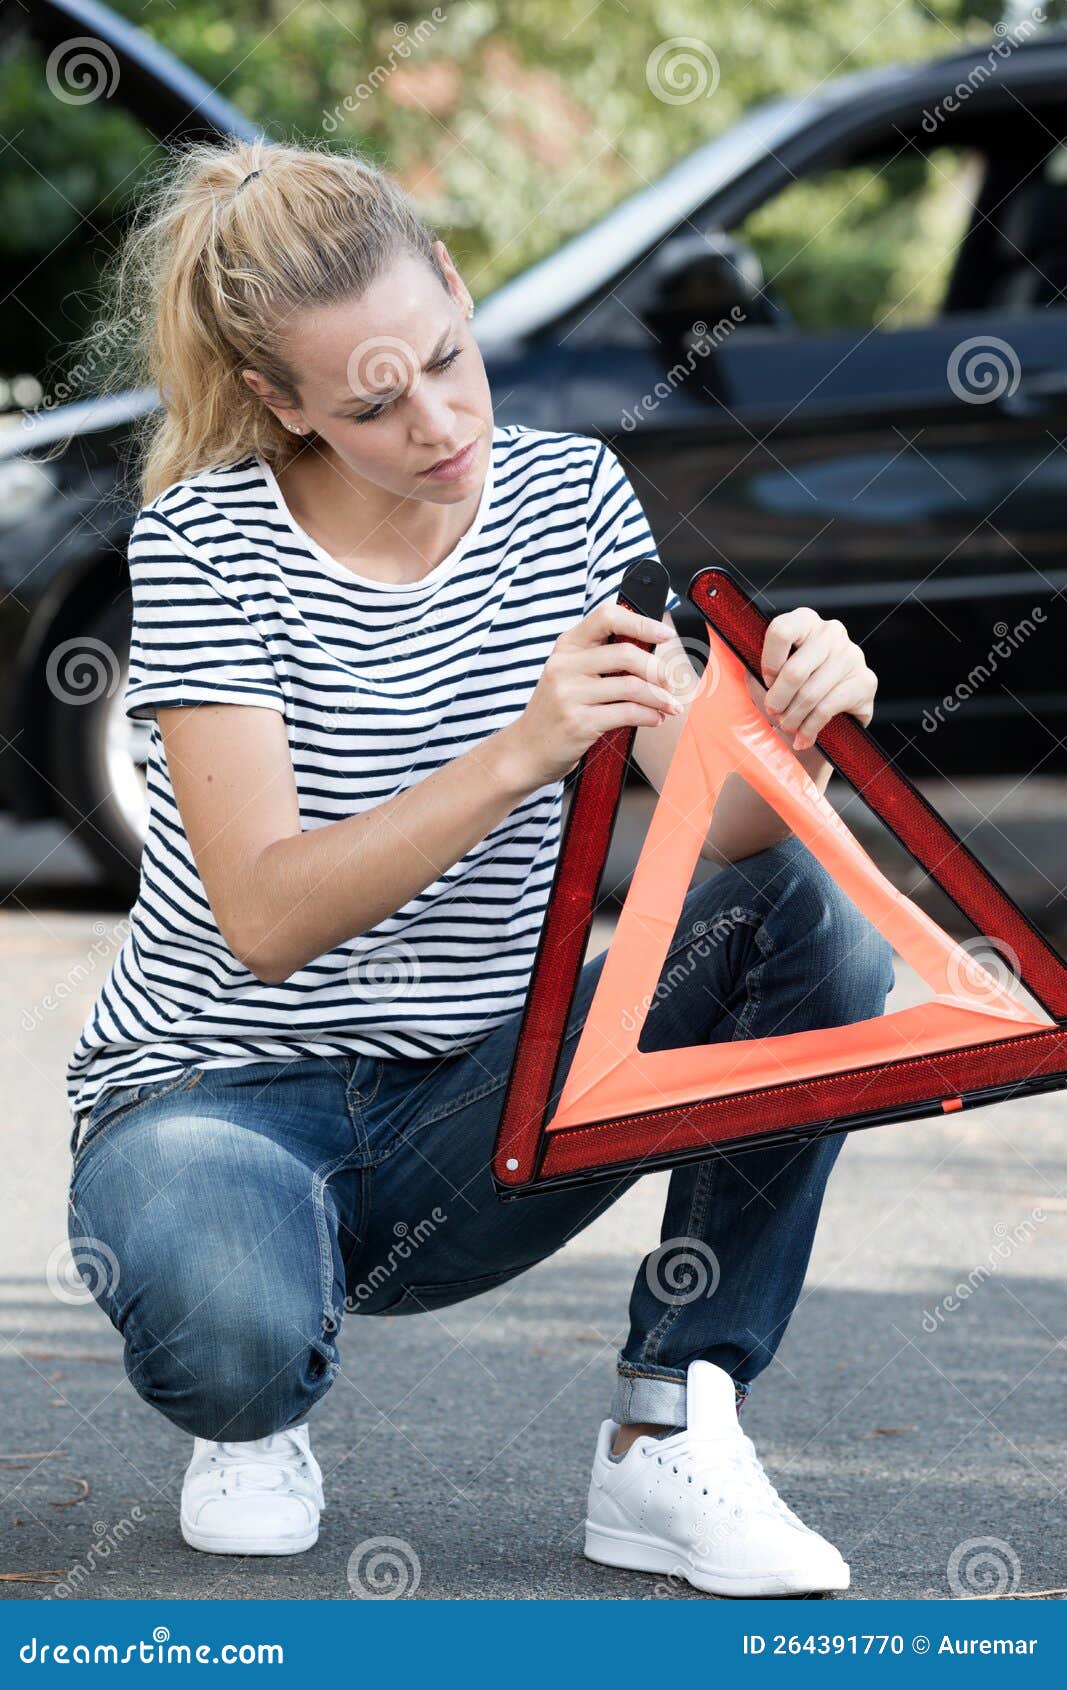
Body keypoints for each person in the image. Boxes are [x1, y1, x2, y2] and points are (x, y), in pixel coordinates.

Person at [64, 137, 893, 1597]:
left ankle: (669, 1430)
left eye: (448, 358)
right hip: (217, 1100)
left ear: (453, 283)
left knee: (806, 911)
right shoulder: (206, 540)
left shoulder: (569, 499)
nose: (443, 424)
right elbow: (265, 915)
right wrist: (518, 751)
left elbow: (729, 823)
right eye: (375, 406)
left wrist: (804, 735)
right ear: (281, 402)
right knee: (236, 1347)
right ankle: (256, 1397)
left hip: (477, 1107)